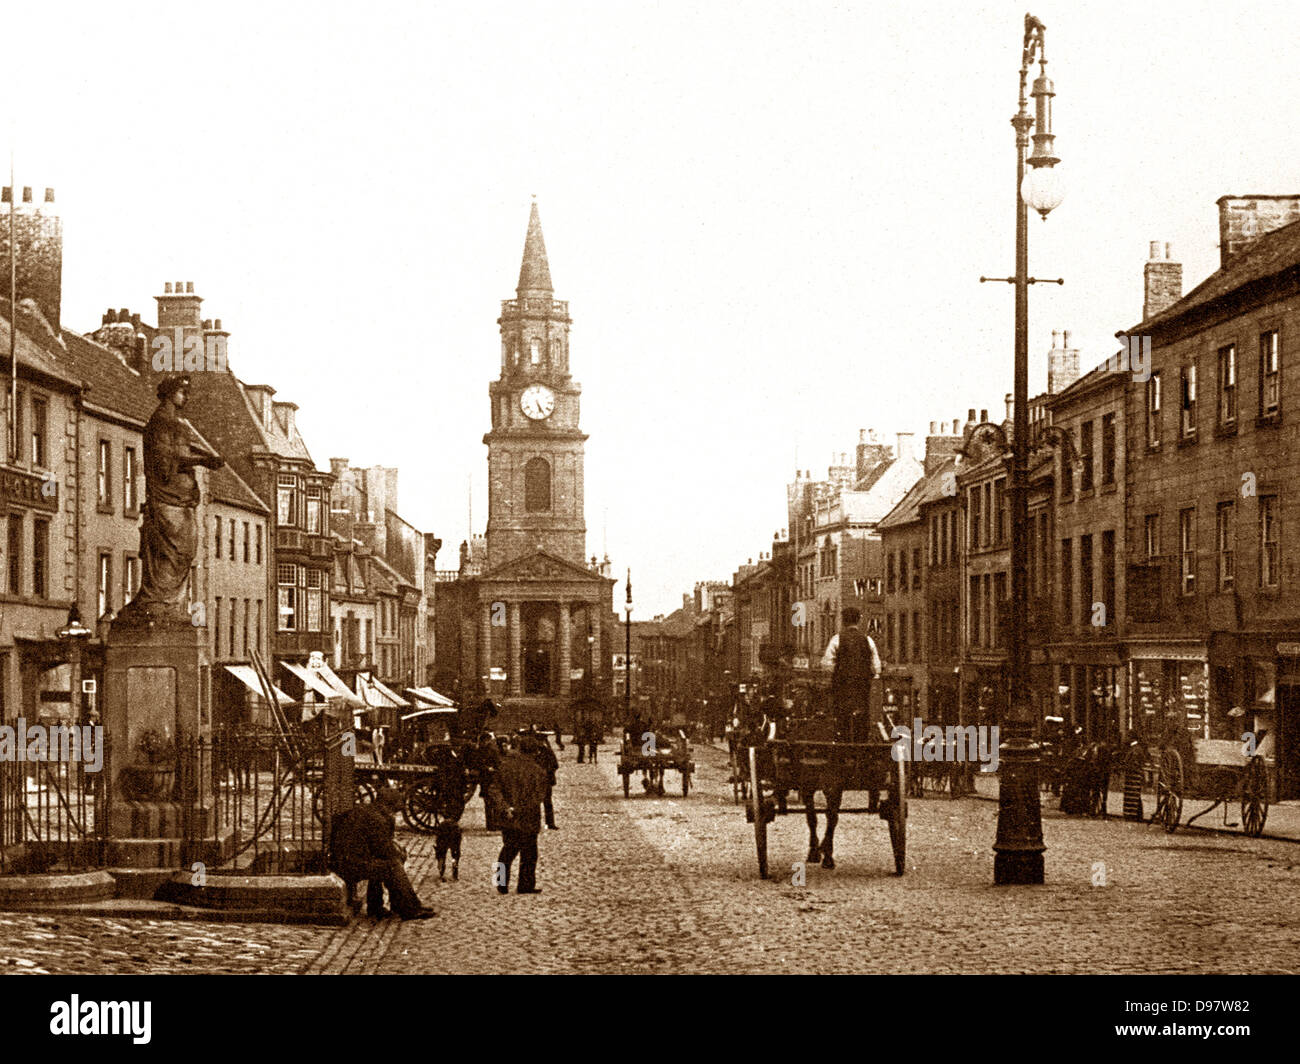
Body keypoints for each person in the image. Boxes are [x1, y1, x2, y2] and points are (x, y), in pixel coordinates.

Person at [329, 787, 435, 920]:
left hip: (342, 861)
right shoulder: (378, 819)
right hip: (349, 866)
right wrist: (399, 853)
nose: (396, 812)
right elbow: (386, 851)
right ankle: (409, 908)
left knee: (382, 863)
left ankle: (378, 906)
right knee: (391, 865)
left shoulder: (368, 811)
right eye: (396, 808)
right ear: (388, 805)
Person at [487, 739, 549, 895]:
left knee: (507, 850)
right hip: (528, 817)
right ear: (535, 752)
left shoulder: (504, 767)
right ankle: (525, 885)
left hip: (509, 817)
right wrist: (522, 808)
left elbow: (493, 789)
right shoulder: (538, 771)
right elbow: (539, 796)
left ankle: (500, 883)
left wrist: (505, 807)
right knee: (529, 853)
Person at [821, 606, 882, 743]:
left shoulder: (837, 640)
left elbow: (826, 665)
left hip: (842, 688)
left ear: (843, 621)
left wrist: (838, 670)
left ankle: (842, 742)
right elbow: (876, 667)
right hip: (861, 689)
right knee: (863, 718)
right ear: (858, 621)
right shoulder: (868, 640)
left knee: (840, 718)